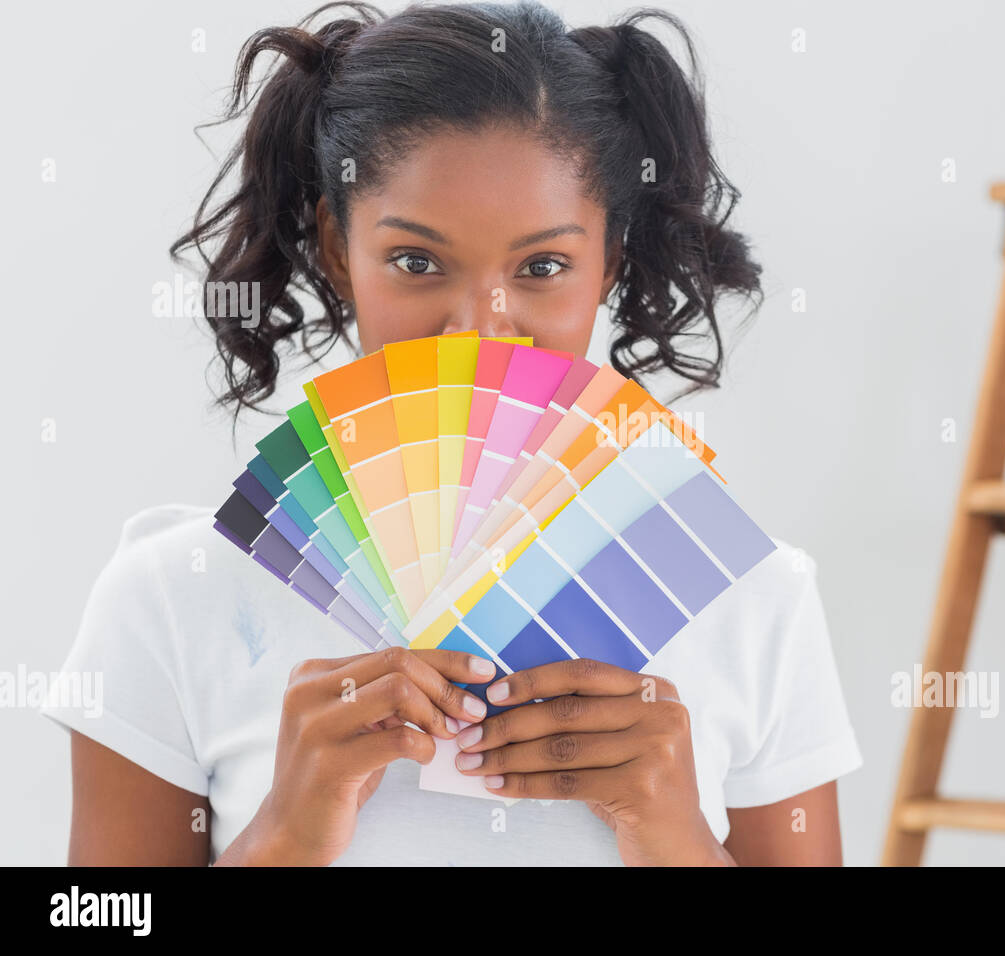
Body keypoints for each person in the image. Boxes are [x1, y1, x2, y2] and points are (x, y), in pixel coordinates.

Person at [44, 0, 862, 866]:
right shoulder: (173, 597)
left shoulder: (754, 598)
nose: (479, 332)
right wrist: (283, 837)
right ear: (335, 247)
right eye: (416, 261)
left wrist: (676, 836)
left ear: (610, 262)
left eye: (543, 267)